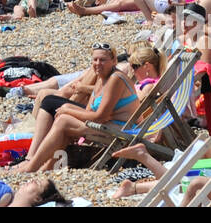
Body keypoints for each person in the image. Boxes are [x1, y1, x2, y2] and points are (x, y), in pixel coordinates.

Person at [17, 43, 138, 173]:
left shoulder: (115, 79)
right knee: (65, 110)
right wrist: (67, 108)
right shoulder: (102, 77)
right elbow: (90, 111)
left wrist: (67, 111)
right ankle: (47, 166)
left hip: (121, 130)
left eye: (103, 60)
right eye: (95, 59)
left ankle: (31, 167)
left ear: (114, 61)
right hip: (109, 124)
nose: (98, 63)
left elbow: (100, 117)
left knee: (64, 119)